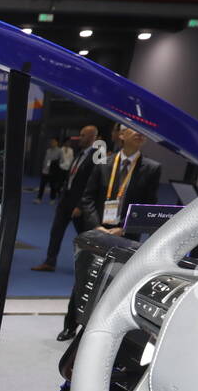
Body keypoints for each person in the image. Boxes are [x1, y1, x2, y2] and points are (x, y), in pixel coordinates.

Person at [57, 124, 161, 339]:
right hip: (98, 233)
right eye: (133, 128)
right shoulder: (103, 164)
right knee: (85, 279)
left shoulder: (152, 168)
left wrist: (124, 229)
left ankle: (100, 331)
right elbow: (87, 197)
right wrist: (97, 226)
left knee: (117, 284)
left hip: (126, 237)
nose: (139, 133)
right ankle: (70, 324)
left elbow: (148, 207)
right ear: (122, 135)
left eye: (143, 130)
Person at [31, 124, 101, 274]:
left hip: (79, 205)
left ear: (91, 137)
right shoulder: (79, 154)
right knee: (56, 232)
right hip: (65, 201)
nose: (79, 138)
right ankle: (50, 262)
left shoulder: (96, 157)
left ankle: (88, 266)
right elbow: (72, 177)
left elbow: (90, 185)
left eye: (82, 135)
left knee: (85, 237)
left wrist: (81, 206)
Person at [36, 137, 61, 203]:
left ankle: (52, 199)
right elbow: (45, 160)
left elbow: (62, 161)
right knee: (42, 185)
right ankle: (39, 198)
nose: (52, 143)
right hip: (45, 171)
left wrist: (56, 168)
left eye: (53, 142)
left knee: (53, 186)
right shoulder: (48, 150)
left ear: (57, 143)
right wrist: (43, 168)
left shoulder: (60, 151)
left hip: (53, 172)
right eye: (51, 142)